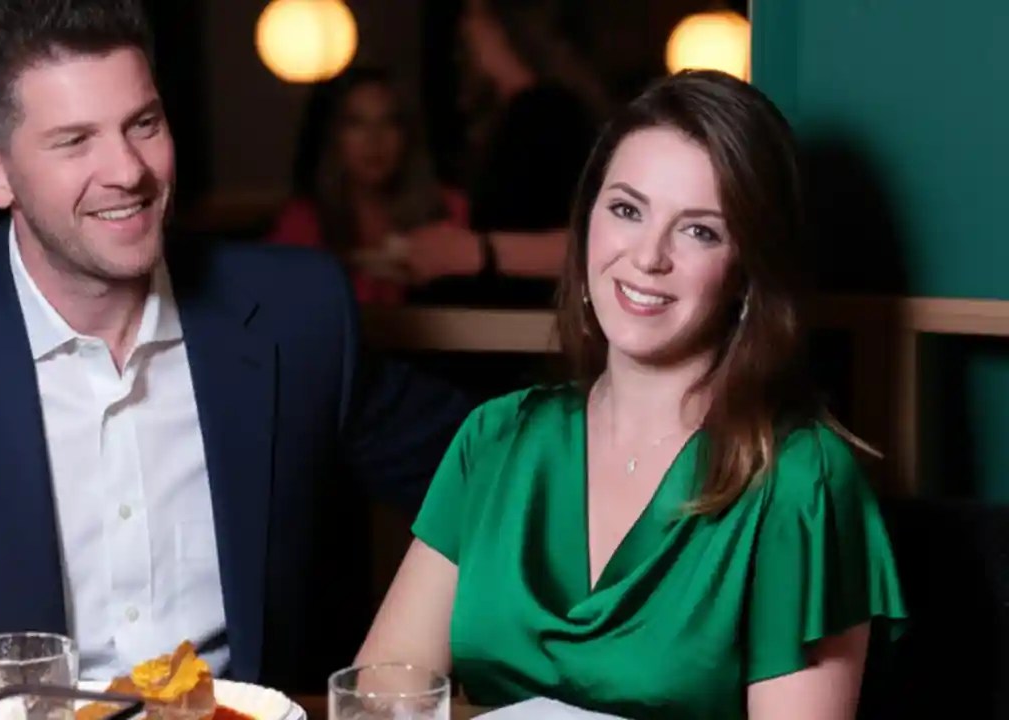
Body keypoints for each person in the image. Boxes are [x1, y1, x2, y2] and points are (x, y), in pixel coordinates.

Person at [0, 1, 473, 718]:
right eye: (75, 140)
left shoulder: (294, 314)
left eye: (143, 124)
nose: (129, 171)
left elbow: (488, 468)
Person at [355, 70, 907, 719]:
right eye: (626, 209)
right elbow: (381, 693)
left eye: (699, 230)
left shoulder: (802, 483)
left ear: (746, 274)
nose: (648, 256)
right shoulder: (497, 437)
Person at [401, 0, 608, 307]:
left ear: (502, 24)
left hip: (531, 328)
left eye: (476, 16)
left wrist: (471, 252)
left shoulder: (547, 112)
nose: (465, 31)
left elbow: (591, 242)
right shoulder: (520, 114)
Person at [270, 67, 469, 305]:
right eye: (356, 123)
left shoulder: (448, 210)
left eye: (388, 123)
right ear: (334, 138)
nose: (375, 139)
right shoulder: (304, 222)